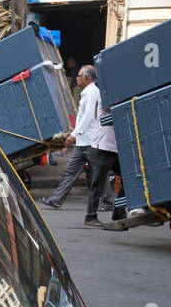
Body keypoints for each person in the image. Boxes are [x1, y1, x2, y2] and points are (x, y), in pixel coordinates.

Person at [41, 65, 99, 215]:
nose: (77, 78)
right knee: (71, 172)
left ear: (87, 77)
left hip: (90, 141)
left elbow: (88, 117)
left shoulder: (92, 92)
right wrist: (75, 134)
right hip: (82, 141)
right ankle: (56, 199)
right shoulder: (86, 92)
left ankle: (107, 201)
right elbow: (82, 117)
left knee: (98, 173)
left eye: (79, 76)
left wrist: (74, 135)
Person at [89, 98, 126, 230]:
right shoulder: (104, 94)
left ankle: (119, 211)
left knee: (128, 179)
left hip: (116, 147)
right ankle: (90, 216)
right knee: (98, 184)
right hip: (103, 147)